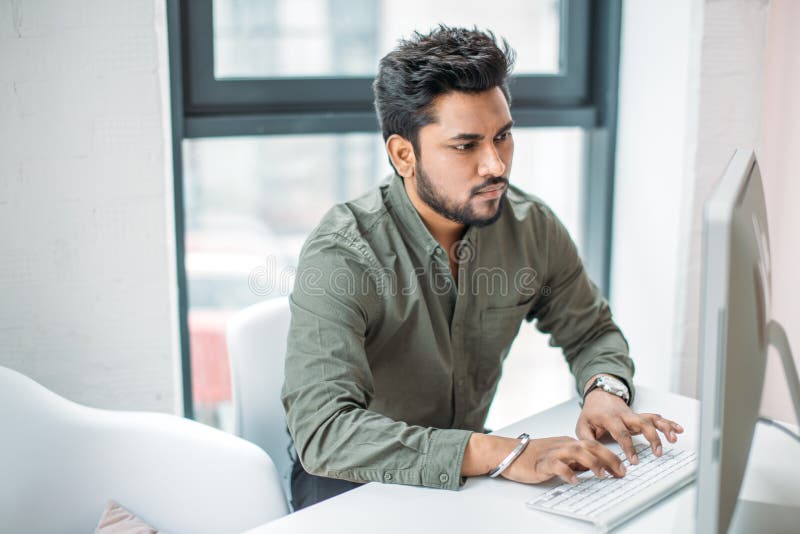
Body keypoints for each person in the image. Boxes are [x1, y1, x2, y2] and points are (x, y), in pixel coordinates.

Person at [281, 25, 683, 511]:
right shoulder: (343, 252)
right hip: (351, 479)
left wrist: (605, 391)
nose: (496, 165)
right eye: (466, 145)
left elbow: (591, 331)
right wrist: (502, 453)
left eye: (503, 137)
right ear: (404, 155)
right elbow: (325, 434)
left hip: (472, 462)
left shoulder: (528, 226)